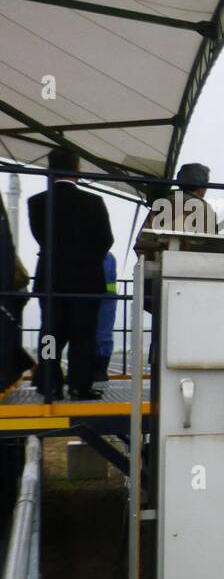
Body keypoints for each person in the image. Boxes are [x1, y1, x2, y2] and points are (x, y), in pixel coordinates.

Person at [27, 148, 113, 400]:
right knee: (83, 335)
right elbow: (105, 240)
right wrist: (86, 261)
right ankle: (79, 385)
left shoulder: (37, 202)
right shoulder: (93, 202)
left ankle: (50, 382)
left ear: (50, 169)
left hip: (51, 277)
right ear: (77, 169)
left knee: (50, 333)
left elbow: (41, 237)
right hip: (86, 281)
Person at [0, 192, 33, 392]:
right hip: (18, 292)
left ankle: (48, 371)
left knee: (52, 334)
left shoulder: (38, 202)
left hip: (47, 291)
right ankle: (48, 371)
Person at [149, 162, 219, 237]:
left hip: (154, 246)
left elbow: (143, 238)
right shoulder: (203, 208)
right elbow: (208, 241)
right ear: (202, 186)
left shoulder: (161, 202)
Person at [95, 252, 117, 382]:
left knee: (51, 333)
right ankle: (100, 371)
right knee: (103, 335)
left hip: (101, 299)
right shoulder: (108, 257)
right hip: (107, 299)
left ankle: (48, 370)